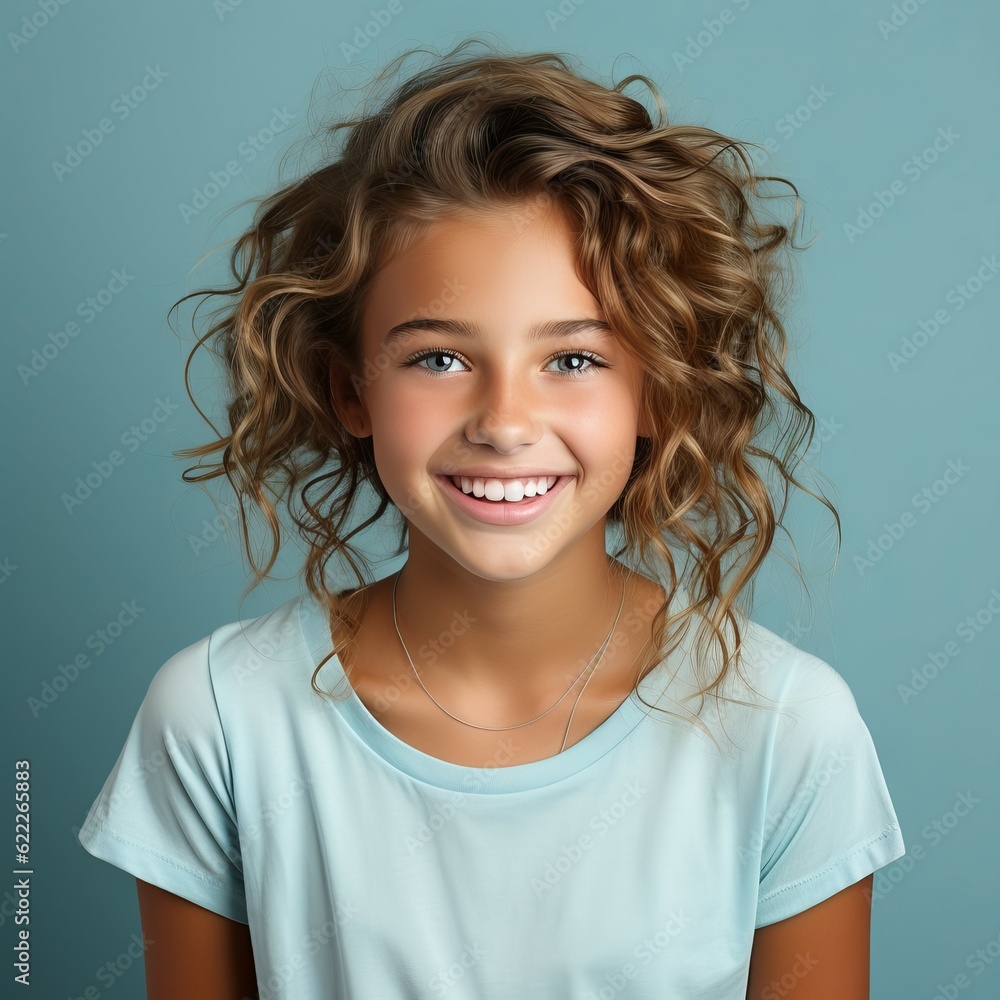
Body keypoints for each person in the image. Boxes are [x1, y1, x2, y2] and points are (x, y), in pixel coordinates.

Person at [77, 37, 905, 999]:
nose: (506, 423)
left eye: (575, 359)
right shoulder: (221, 720)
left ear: (657, 392)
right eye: (438, 358)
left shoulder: (787, 730)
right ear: (353, 391)